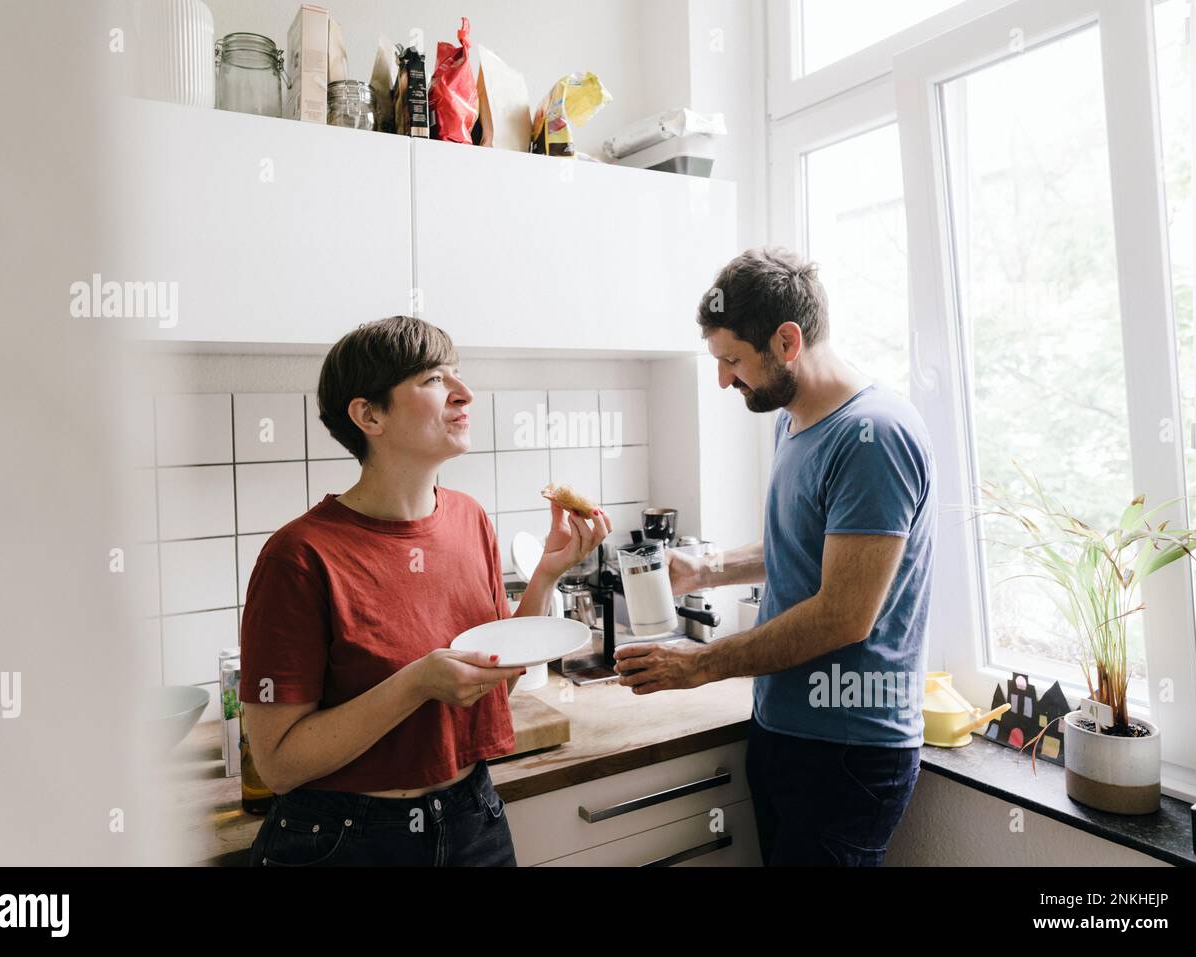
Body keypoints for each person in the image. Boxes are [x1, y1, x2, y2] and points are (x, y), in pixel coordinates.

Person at [240, 315, 611, 867]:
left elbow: (489, 688)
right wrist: (416, 683)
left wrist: (546, 574)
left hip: (472, 817)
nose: (463, 393)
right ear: (368, 415)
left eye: (456, 375)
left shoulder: (470, 519)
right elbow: (277, 763)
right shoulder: (299, 556)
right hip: (344, 839)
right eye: (434, 379)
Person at [613, 247, 937, 866]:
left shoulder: (874, 436)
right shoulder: (794, 421)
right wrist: (708, 568)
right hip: (786, 728)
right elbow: (808, 544)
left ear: (787, 342)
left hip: (848, 750)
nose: (723, 379)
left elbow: (845, 614)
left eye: (733, 360)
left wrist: (700, 666)